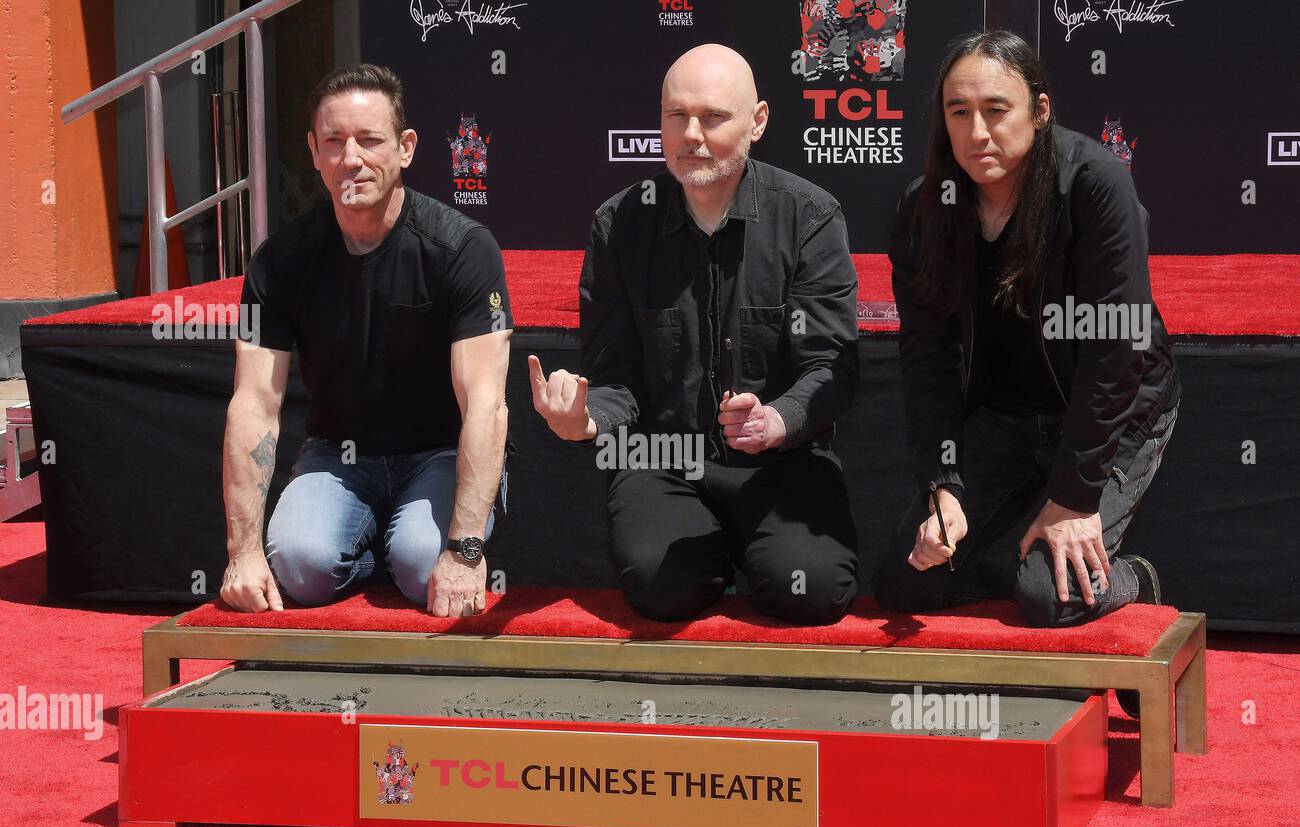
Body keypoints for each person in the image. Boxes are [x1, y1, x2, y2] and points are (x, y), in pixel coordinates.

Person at [874, 31, 1181, 710]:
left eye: (996, 108)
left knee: (1046, 594)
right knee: (908, 580)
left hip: (1118, 408)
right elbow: (926, 363)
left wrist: (1074, 497)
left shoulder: (1095, 182)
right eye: (958, 111)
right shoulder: (924, 208)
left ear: (1040, 110)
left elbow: (1117, 351)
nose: (976, 130)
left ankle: (1136, 581)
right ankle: (1020, 551)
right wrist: (944, 485)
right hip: (1006, 416)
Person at [529, 44, 860, 624]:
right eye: (676, 116)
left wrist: (778, 418)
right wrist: (583, 422)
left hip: (783, 462)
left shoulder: (809, 216)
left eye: (713, 117)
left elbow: (831, 364)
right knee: (662, 589)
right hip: (662, 457)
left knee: (809, 590)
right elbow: (616, 379)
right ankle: (709, 552)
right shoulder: (620, 225)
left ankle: (758, 551)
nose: (691, 136)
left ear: (757, 120)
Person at [220, 64, 512, 617]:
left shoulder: (463, 249)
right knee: (300, 567)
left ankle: (402, 547)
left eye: (369, 140)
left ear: (405, 148)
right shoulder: (279, 261)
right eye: (334, 141)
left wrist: (467, 550)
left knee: (425, 563)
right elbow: (254, 403)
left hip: (441, 451)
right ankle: (374, 548)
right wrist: (243, 554)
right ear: (313, 151)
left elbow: (486, 405)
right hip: (338, 455)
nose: (351, 158)